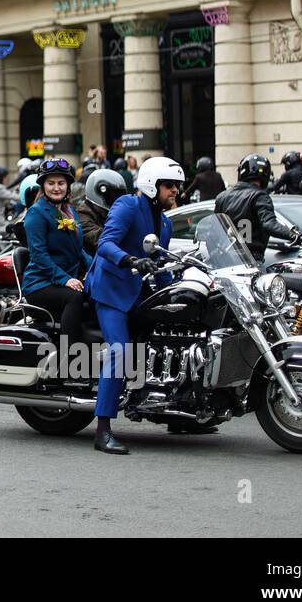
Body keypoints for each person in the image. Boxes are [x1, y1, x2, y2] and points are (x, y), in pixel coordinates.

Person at [84, 156, 184, 454]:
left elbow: (161, 262)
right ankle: (102, 430)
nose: (175, 192)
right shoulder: (127, 205)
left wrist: (179, 283)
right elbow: (106, 243)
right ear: (152, 185)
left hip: (137, 292)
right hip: (111, 290)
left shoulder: (164, 222)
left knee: (176, 331)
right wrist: (129, 259)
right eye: (169, 186)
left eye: (177, 187)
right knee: (121, 352)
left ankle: (180, 410)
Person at [21, 158, 90, 343]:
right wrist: (65, 279)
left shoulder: (70, 211)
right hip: (40, 284)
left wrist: (97, 268)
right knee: (74, 298)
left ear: (68, 186)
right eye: (50, 183)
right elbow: (38, 254)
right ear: (43, 186)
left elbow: (78, 249)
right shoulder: (37, 213)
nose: (56, 187)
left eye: (61, 183)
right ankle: (71, 357)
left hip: (66, 279)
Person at [215, 154, 301, 262]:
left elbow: (213, 231)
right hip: (251, 261)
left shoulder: (222, 197)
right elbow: (269, 224)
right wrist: (297, 236)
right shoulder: (260, 196)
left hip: (225, 261)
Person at [77, 168, 127, 257]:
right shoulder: (82, 215)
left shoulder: (109, 212)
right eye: (112, 194)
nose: (116, 199)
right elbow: (100, 237)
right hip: (93, 265)